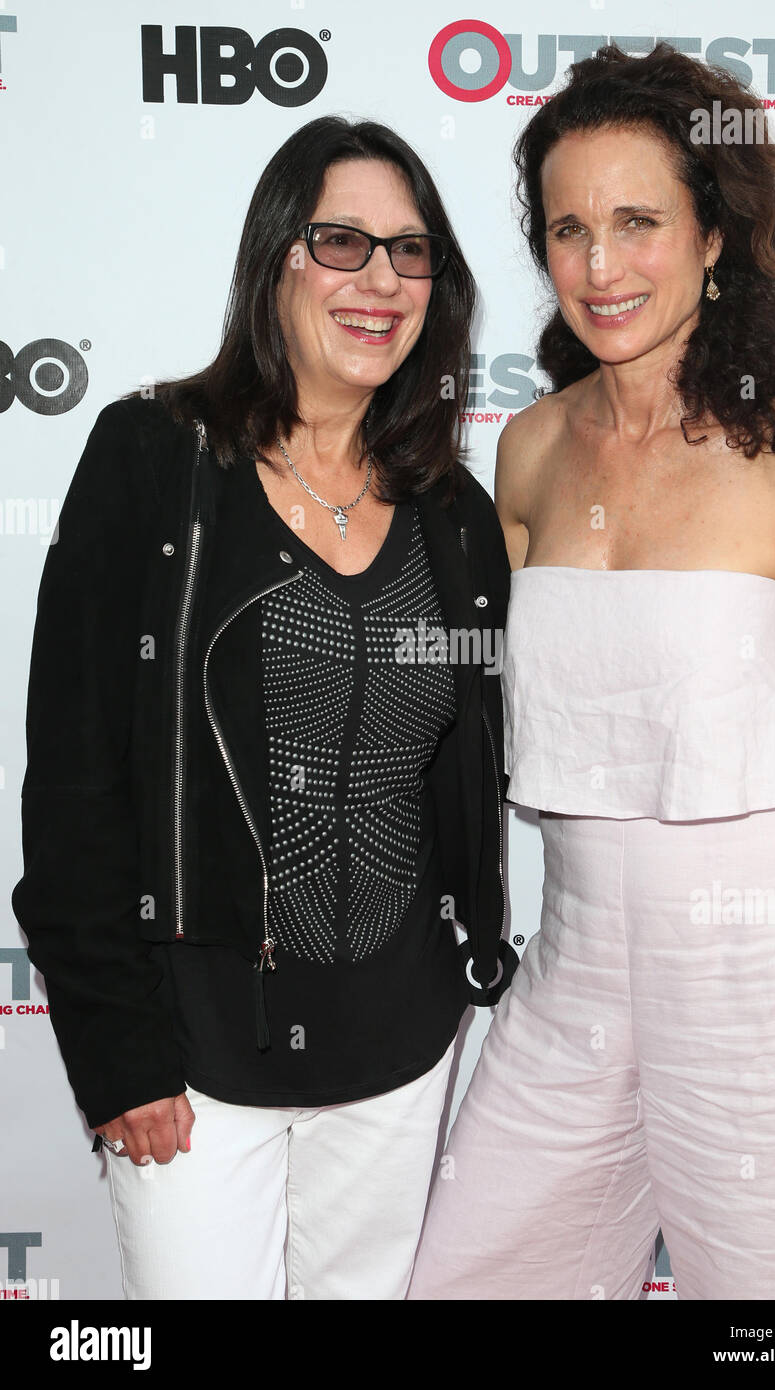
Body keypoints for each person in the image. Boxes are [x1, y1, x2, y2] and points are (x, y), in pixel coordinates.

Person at [407, 43, 775, 1301]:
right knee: (475, 1276)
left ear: (713, 236)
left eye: (637, 222)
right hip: (571, 951)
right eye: (569, 229)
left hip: (771, 968)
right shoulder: (527, 449)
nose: (600, 266)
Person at [11, 116, 512, 1300]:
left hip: (395, 1050)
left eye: (411, 250)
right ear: (277, 255)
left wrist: (464, 959)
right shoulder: (154, 457)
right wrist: (116, 1050)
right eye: (342, 242)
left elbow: (462, 765)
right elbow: (75, 780)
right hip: (189, 1058)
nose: (380, 281)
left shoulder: (452, 508)